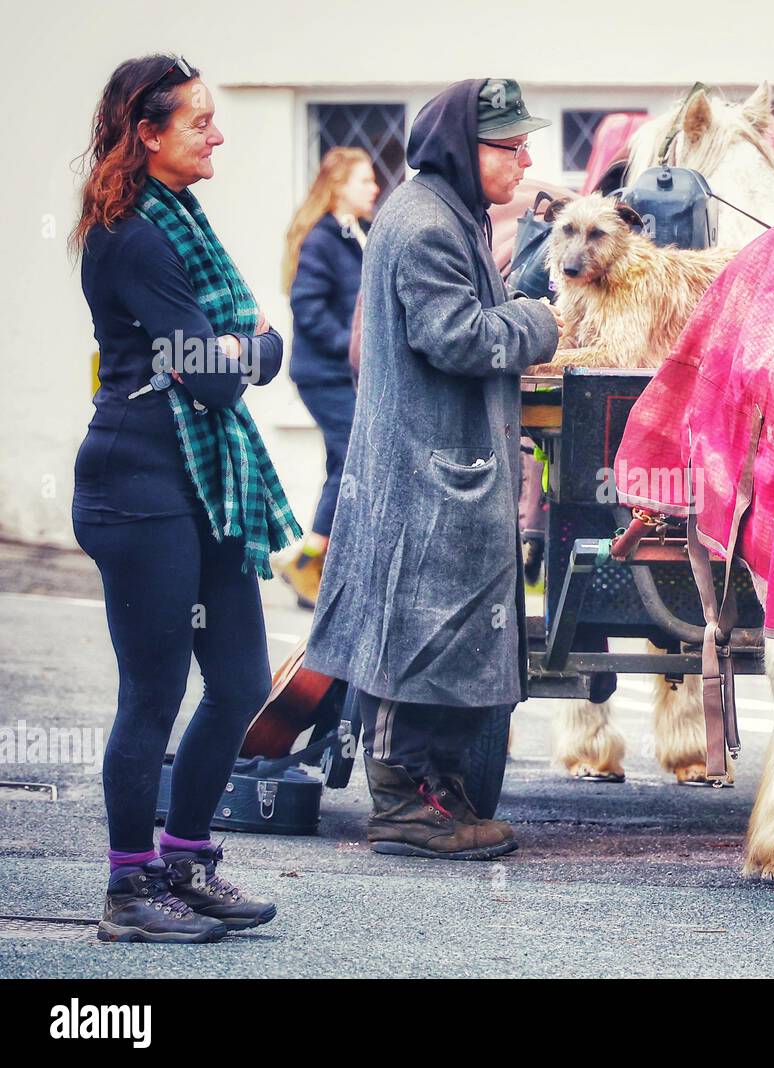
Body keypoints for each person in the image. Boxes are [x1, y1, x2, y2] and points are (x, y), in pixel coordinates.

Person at [71, 55, 300, 942]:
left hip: (196, 484)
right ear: (147, 133)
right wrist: (260, 349)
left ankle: (186, 861)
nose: (216, 133)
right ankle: (129, 892)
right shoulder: (130, 234)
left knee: (241, 680)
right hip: (137, 486)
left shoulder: (179, 221)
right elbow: (211, 375)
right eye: (198, 120)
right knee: (154, 690)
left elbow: (209, 358)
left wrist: (236, 348)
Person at [306, 78, 561, 860]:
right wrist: (539, 319)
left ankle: (438, 795)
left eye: (524, 146)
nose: (524, 161)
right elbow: (457, 338)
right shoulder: (425, 224)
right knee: (408, 637)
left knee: (446, 639)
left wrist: (512, 289)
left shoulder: (451, 213)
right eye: (509, 147)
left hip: (444, 473)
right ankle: (403, 810)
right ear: (462, 146)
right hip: (422, 481)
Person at [280, 148, 379, 608]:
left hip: (342, 372)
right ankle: (309, 562)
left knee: (345, 461)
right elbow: (308, 308)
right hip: (326, 374)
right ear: (338, 186)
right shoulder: (322, 239)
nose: (374, 188)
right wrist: (354, 346)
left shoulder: (355, 234)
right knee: (349, 460)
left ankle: (313, 558)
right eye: (365, 181)